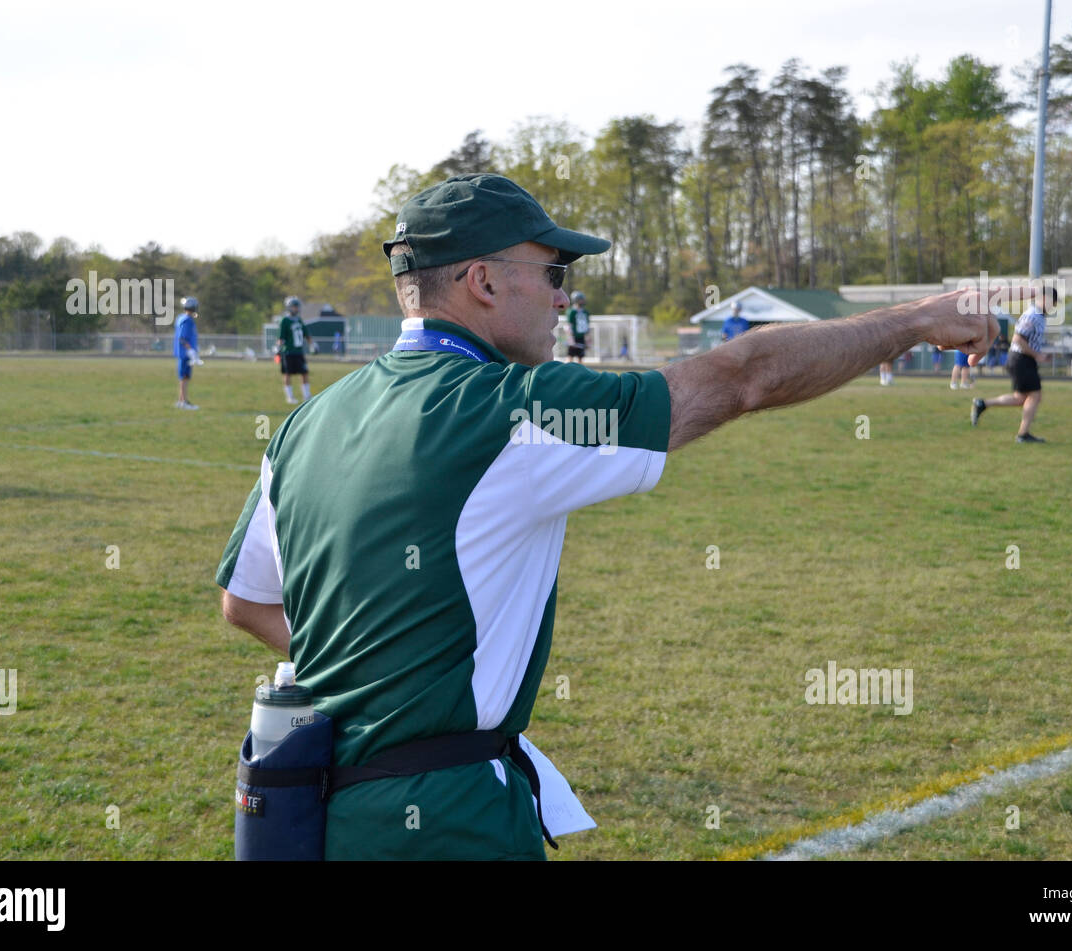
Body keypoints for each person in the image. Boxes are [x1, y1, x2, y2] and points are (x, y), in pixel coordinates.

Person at [215, 172, 996, 861]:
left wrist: (383, 670)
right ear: (482, 281)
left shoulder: (304, 424)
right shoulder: (512, 408)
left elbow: (245, 602)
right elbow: (745, 377)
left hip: (323, 808)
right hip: (451, 819)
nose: (563, 296)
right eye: (553, 272)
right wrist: (917, 319)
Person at [971, 282, 1055, 443]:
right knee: (1035, 395)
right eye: (1053, 302)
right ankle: (1023, 434)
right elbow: (1018, 339)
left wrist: (1041, 353)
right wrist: (1037, 355)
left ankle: (982, 404)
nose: (1053, 307)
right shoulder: (1033, 315)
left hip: (1022, 359)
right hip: (1021, 359)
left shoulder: (1038, 316)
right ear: (1045, 298)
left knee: (1021, 398)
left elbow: (1028, 339)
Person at [278, 296, 311, 403]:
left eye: (297, 306)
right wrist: (278, 348)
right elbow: (281, 337)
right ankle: (290, 397)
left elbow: (306, 334)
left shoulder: (299, 320)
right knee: (287, 374)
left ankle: (307, 395)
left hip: (299, 352)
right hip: (288, 352)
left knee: (304, 372)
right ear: (289, 307)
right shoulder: (285, 320)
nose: (296, 308)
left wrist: (312, 344)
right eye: (294, 306)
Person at [173, 296, 201, 410]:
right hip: (185, 353)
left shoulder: (181, 318)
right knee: (185, 377)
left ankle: (181, 400)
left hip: (183, 353)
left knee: (183, 377)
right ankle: (184, 401)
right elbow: (182, 338)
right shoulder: (187, 320)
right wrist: (190, 350)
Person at [564, 290, 590, 363]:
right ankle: (566, 369)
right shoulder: (572, 312)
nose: (582, 301)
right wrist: (570, 338)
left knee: (581, 357)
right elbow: (568, 326)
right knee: (570, 356)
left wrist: (588, 340)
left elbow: (586, 327)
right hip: (573, 337)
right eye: (580, 299)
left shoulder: (585, 312)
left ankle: (579, 370)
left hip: (581, 337)